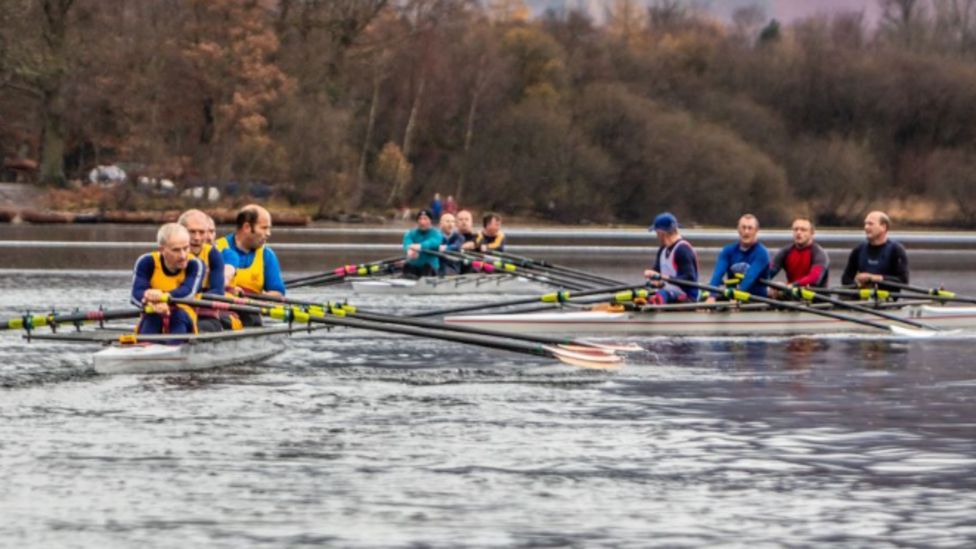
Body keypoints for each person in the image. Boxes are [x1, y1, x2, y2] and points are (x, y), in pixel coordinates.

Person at [215, 205, 286, 326]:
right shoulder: (217, 249)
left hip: (249, 312)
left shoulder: (267, 255)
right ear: (247, 227)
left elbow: (278, 294)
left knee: (252, 319)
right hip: (220, 310)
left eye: (269, 229)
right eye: (264, 228)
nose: (268, 234)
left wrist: (251, 298)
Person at [130, 223, 203, 336]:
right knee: (152, 317)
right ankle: (143, 346)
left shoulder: (195, 264)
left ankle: (176, 348)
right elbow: (135, 295)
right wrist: (149, 301)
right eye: (176, 250)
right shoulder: (146, 262)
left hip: (184, 318)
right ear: (161, 249)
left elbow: (188, 292)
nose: (183, 255)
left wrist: (162, 297)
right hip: (153, 312)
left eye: (186, 248)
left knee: (178, 316)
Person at [178, 209, 226, 332]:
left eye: (202, 232)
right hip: (174, 308)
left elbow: (218, 291)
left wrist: (195, 300)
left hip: (203, 312)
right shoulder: (168, 253)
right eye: (192, 232)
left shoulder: (213, 255)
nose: (197, 238)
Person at [705, 214, 770, 302]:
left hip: (755, 300)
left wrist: (737, 296)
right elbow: (718, 274)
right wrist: (711, 295)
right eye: (743, 227)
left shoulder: (762, 253)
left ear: (756, 231)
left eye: (750, 228)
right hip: (732, 298)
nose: (746, 231)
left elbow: (750, 277)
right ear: (738, 229)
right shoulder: (728, 251)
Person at [841, 211, 909, 287]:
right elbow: (846, 279)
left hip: (887, 296)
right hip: (862, 296)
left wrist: (874, 278)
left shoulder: (896, 250)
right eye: (865, 224)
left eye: (870, 224)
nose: (866, 227)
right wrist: (857, 283)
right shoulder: (859, 250)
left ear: (883, 227)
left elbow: (903, 281)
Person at [643, 212, 699, 304]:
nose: (656, 235)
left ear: (661, 233)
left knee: (662, 294)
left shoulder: (683, 250)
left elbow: (689, 279)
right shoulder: (662, 249)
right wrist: (654, 280)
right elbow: (657, 272)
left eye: (656, 232)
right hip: (669, 294)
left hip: (687, 297)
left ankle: (651, 309)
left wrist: (662, 277)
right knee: (642, 293)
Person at [768, 217, 830, 298]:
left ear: (812, 233)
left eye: (803, 230)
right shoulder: (785, 251)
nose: (798, 232)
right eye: (796, 229)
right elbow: (769, 272)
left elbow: (814, 278)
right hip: (792, 294)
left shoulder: (819, 254)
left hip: (816, 299)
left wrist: (791, 285)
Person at [402, 209, 444, 278]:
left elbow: (432, 242)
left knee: (427, 267)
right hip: (413, 268)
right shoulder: (410, 233)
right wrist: (409, 250)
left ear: (430, 221)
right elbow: (407, 243)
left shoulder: (437, 234)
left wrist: (420, 246)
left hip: (430, 269)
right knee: (407, 265)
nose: (422, 222)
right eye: (420, 219)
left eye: (425, 219)